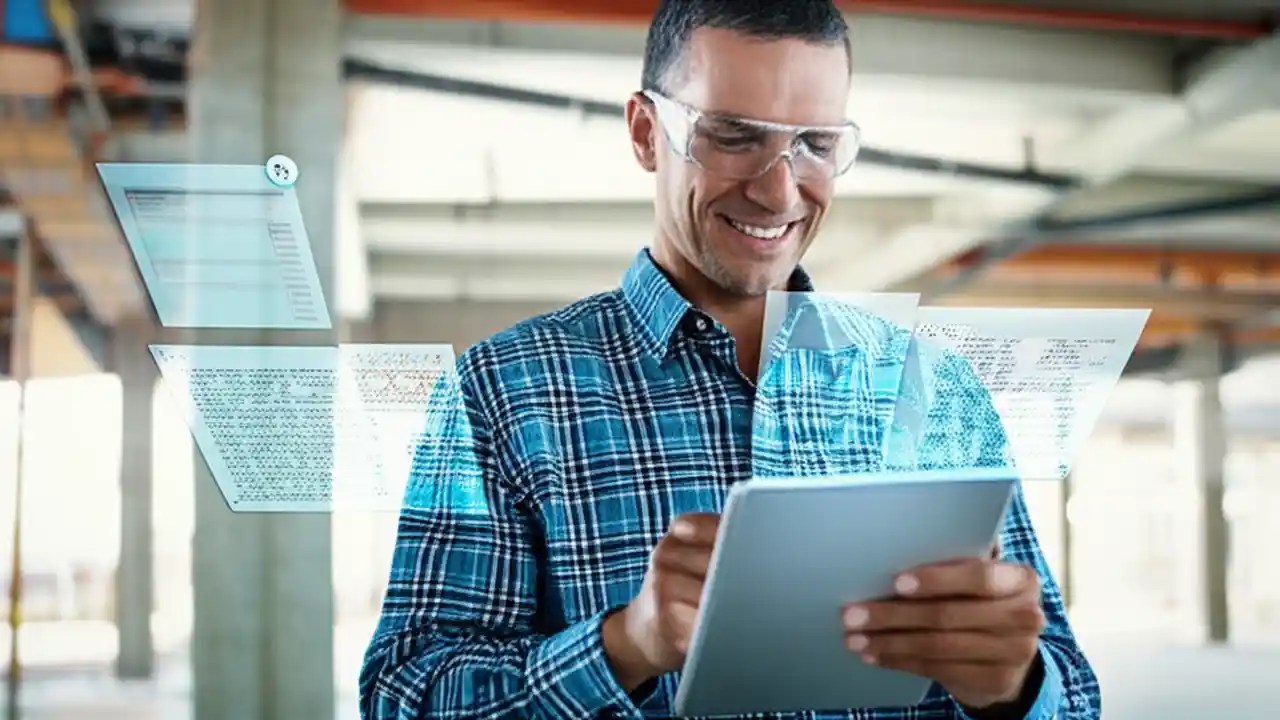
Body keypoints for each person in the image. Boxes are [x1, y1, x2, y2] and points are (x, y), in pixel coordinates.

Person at [359, 1, 1101, 717]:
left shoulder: (934, 389)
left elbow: (1072, 695)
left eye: (814, 143)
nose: (779, 189)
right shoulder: (501, 393)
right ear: (647, 132)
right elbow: (401, 698)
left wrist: (1012, 689)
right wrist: (626, 645)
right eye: (733, 136)